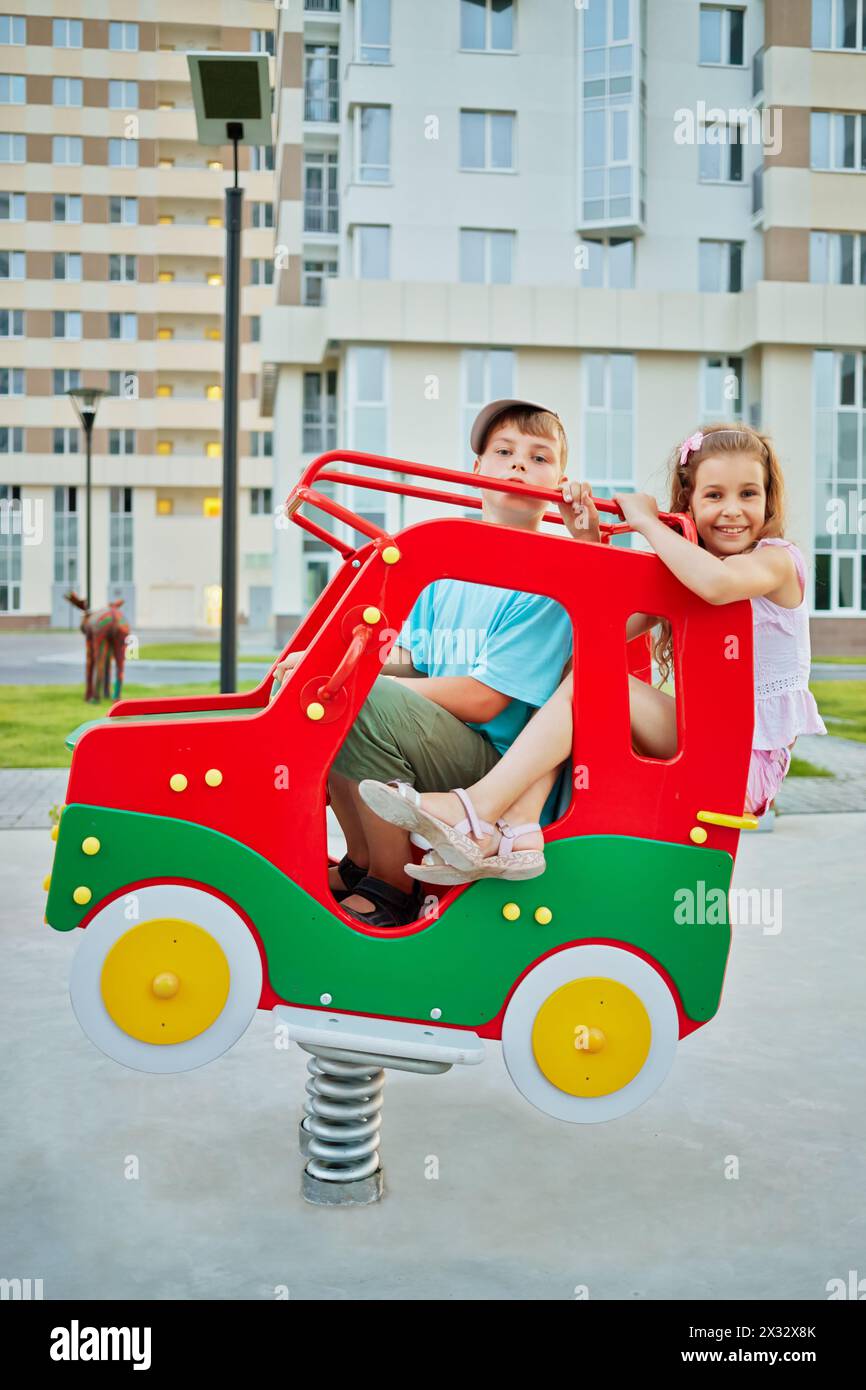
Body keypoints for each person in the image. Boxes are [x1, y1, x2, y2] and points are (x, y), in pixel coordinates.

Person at [360, 422, 827, 883]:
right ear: (690, 503)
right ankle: (517, 826)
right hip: (706, 741)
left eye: (749, 494)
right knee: (582, 671)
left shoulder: (777, 560)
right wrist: (586, 544)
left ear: (769, 500)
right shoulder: (689, 571)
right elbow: (598, 629)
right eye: (714, 496)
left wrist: (644, 523)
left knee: (592, 680)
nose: (733, 510)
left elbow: (719, 585)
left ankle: (480, 807)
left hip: (742, 759)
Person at [270, 398, 577, 925]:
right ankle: (363, 860)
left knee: (361, 704)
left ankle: (393, 885)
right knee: (326, 687)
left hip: (497, 765)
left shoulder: (545, 581)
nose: (520, 465)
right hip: (442, 736)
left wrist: (365, 690)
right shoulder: (450, 569)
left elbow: (486, 699)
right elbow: (416, 664)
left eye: (539, 457)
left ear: (558, 483)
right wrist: (333, 670)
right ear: (477, 470)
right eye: (504, 452)